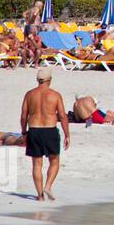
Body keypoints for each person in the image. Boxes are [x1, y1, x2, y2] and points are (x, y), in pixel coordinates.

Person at [21, 70, 70, 202]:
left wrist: (24, 132)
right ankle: (48, 186)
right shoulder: (55, 95)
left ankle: (40, 196)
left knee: (37, 164)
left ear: (37, 80)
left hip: (34, 130)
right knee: (54, 161)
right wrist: (67, 135)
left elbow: (24, 115)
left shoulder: (30, 94)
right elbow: (62, 116)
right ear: (50, 80)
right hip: (50, 130)